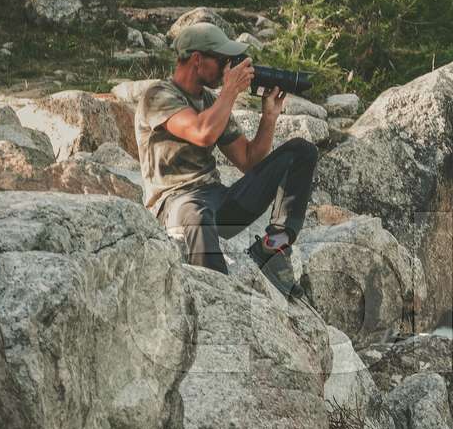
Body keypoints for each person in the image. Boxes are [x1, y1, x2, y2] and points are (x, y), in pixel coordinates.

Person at [136, 23, 318, 296]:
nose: (227, 69)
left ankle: (273, 248)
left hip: (218, 201)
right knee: (196, 214)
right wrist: (230, 91)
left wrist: (269, 116)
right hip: (174, 203)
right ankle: (218, 298)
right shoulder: (158, 96)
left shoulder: (210, 101)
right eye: (222, 61)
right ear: (198, 60)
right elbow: (202, 132)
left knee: (301, 151)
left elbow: (249, 161)